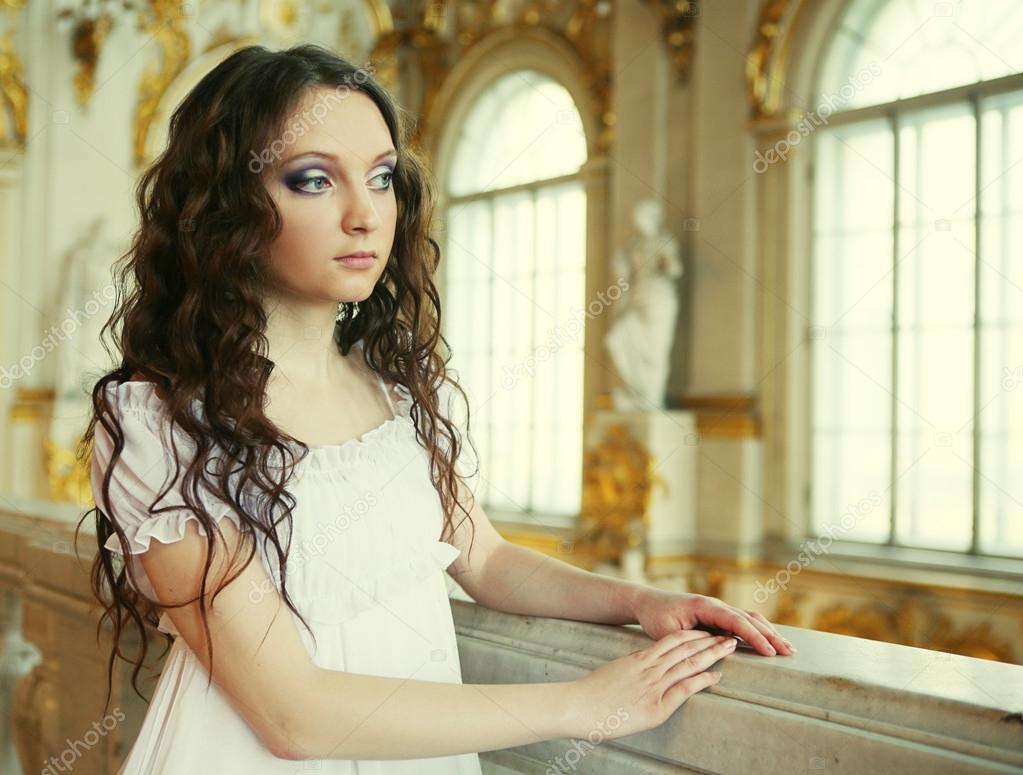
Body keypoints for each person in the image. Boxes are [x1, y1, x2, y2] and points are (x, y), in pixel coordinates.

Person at [77, 44, 794, 775]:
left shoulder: (399, 391)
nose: (364, 215)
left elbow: (484, 558)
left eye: (382, 176)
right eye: (314, 180)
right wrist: (584, 704)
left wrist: (639, 600)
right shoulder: (163, 426)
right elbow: (290, 713)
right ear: (224, 205)